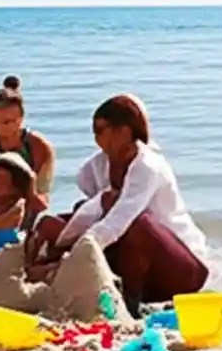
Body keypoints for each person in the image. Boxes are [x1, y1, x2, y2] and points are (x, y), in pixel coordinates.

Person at [25, 94, 209, 316]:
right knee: (60, 220)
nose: (96, 139)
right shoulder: (97, 166)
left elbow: (119, 220)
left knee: (135, 224)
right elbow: (92, 206)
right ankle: (42, 278)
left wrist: (80, 248)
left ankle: (131, 306)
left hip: (181, 270)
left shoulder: (148, 166)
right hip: (141, 269)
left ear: (124, 131)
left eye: (101, 131)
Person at [0, 75, 55, 223]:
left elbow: (41, 193)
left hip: (28, 210)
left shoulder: (39, 147)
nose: (0, 127)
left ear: (21, 118)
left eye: (7, 122)